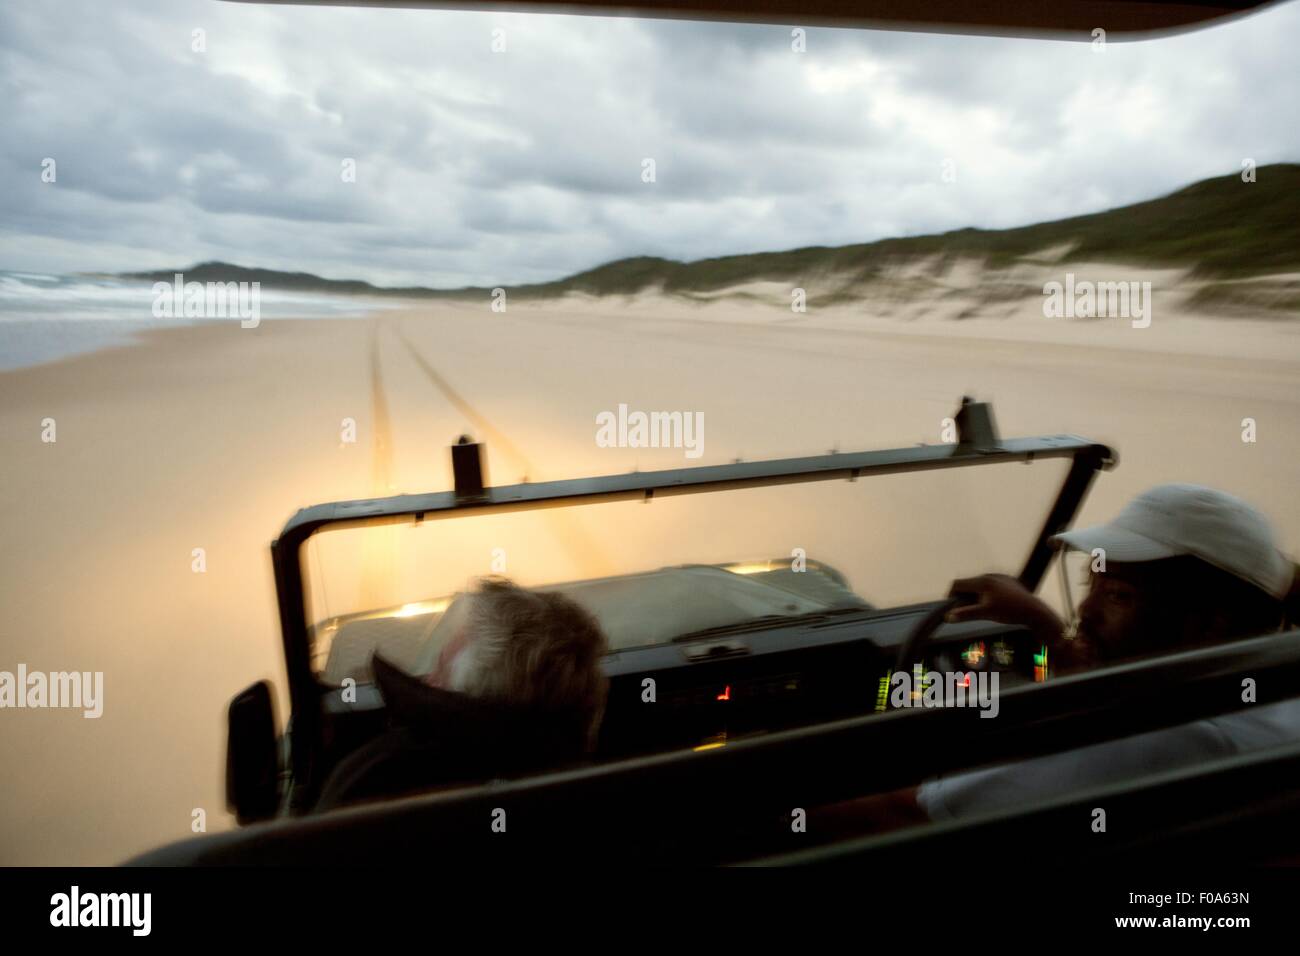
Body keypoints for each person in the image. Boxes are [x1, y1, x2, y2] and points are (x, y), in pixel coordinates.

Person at [917, 483, 1300, 821]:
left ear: (1209, 626)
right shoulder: (1272, 699)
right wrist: (1049, 629)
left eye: (1118, 594)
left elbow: (912, 813)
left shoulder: (1161, 739)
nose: (1084, 610)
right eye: (1091, 584)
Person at [314, 577, 609, 811]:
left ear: (458, 695)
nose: (427, 681)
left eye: (440, 669)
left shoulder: (373, 778)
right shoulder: (587, 790)